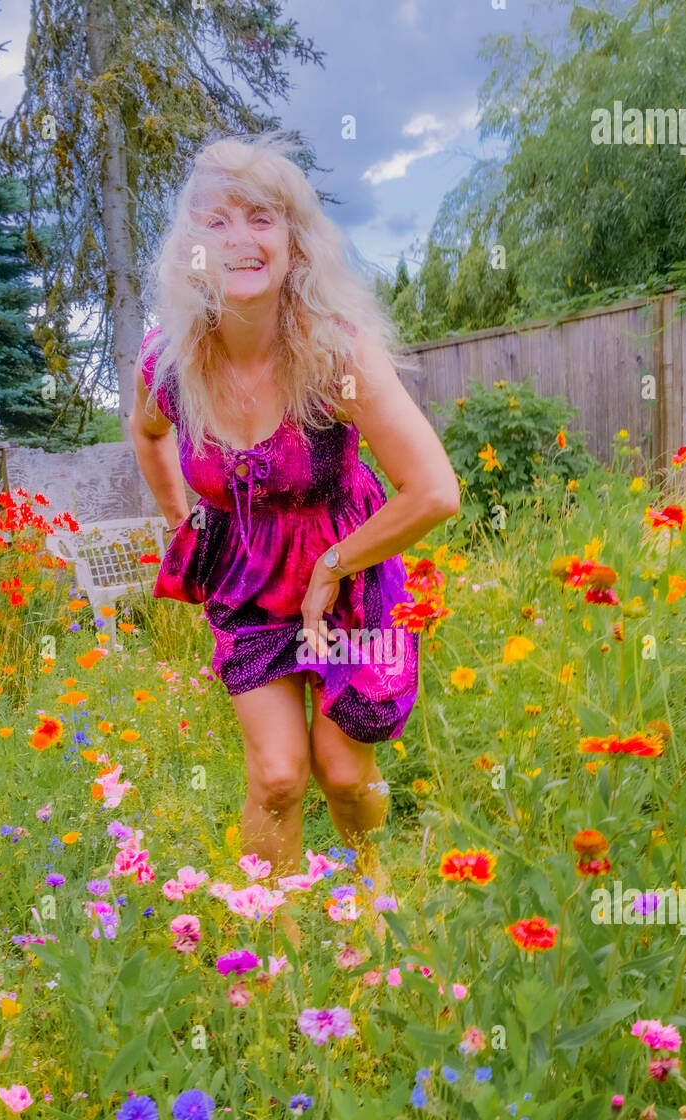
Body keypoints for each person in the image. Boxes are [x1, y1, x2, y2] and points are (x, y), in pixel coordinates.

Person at [131, 132, 459, 922]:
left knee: (343, 773)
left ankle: (369, 887)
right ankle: (267, 938)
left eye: (262, 218)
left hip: (352, 572)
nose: (240, 239)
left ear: (294, 242)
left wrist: (334, 565)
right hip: (247, 580)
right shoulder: (168, 363)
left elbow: (434, 492)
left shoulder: (334, 355)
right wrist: (185, 526)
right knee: (277, 775)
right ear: (190, 249)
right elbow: (147, 435)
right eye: (216, 221)